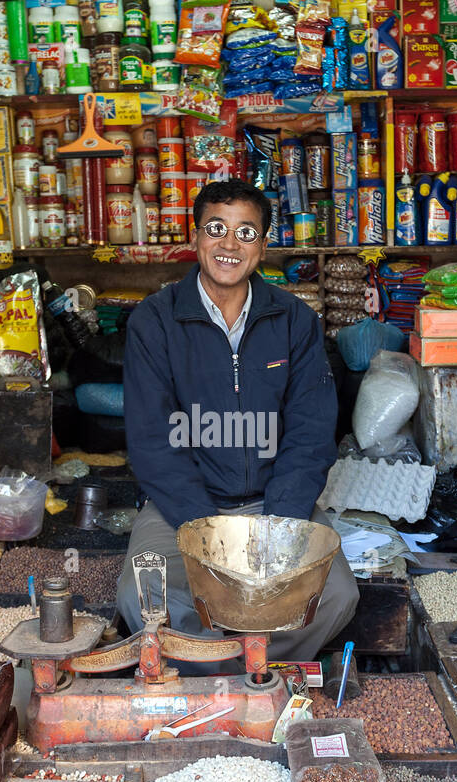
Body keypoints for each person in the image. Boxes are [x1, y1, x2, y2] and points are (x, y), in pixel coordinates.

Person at [115, 179, 359, 670]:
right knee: (144, 601)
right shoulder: (154, 321)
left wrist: (280, 523)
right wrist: (208, 537)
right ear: (197, 237)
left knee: (335, 596)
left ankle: (236, 671)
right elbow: (152, 443)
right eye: (217, 229)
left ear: (263, 246)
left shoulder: (294, 321)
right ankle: (239, 678)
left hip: (274, 503)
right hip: (181, 509)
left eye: (246, 232)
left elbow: (311, 434)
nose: (230, 244)